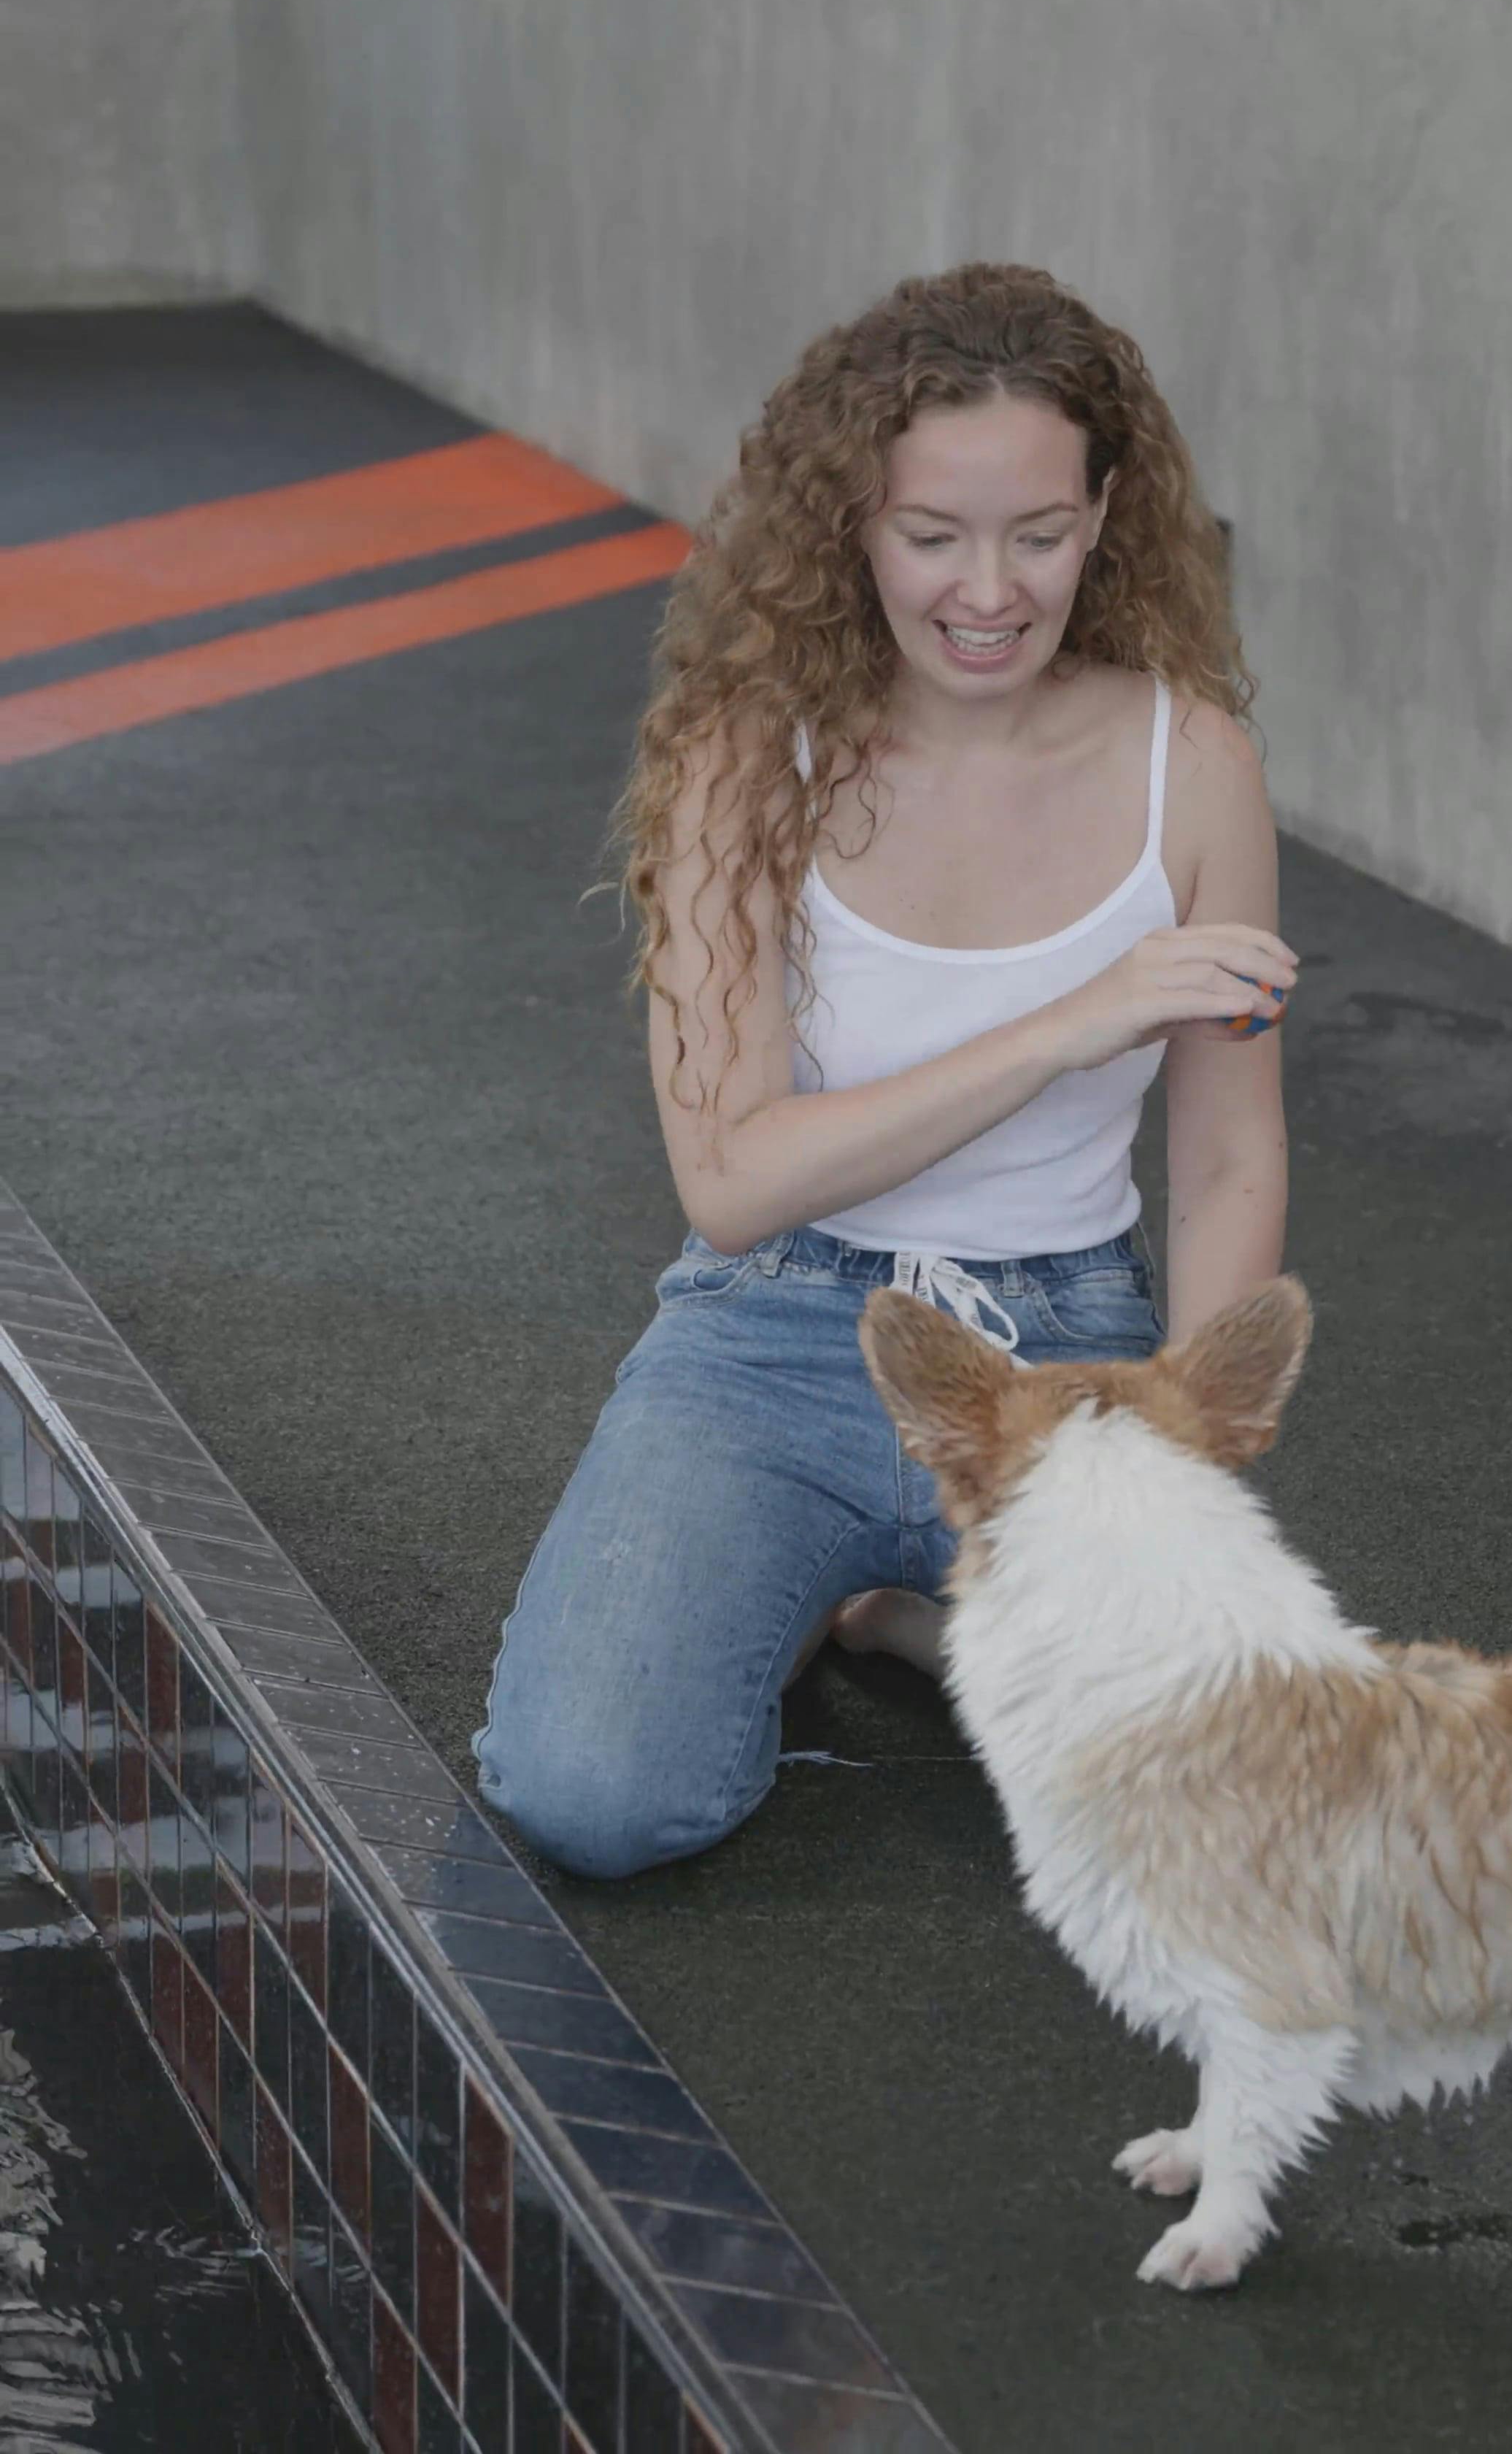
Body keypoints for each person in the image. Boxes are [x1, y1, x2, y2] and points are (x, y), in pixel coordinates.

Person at [471, 261, 1297, 1880]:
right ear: (853, 522)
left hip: (1066, 1350)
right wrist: (1074, 1018)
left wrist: (1190, 1450)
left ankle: (907, 1616)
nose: (988, 590)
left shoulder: (1190, 764)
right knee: (596, 1795)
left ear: (1108, 514)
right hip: (779, 1323)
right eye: (933, 535)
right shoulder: (742, 760)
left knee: (1204, 1797)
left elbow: (1226, 1163)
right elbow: (731, 1181)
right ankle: (848, 1587)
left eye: (1040, 535)